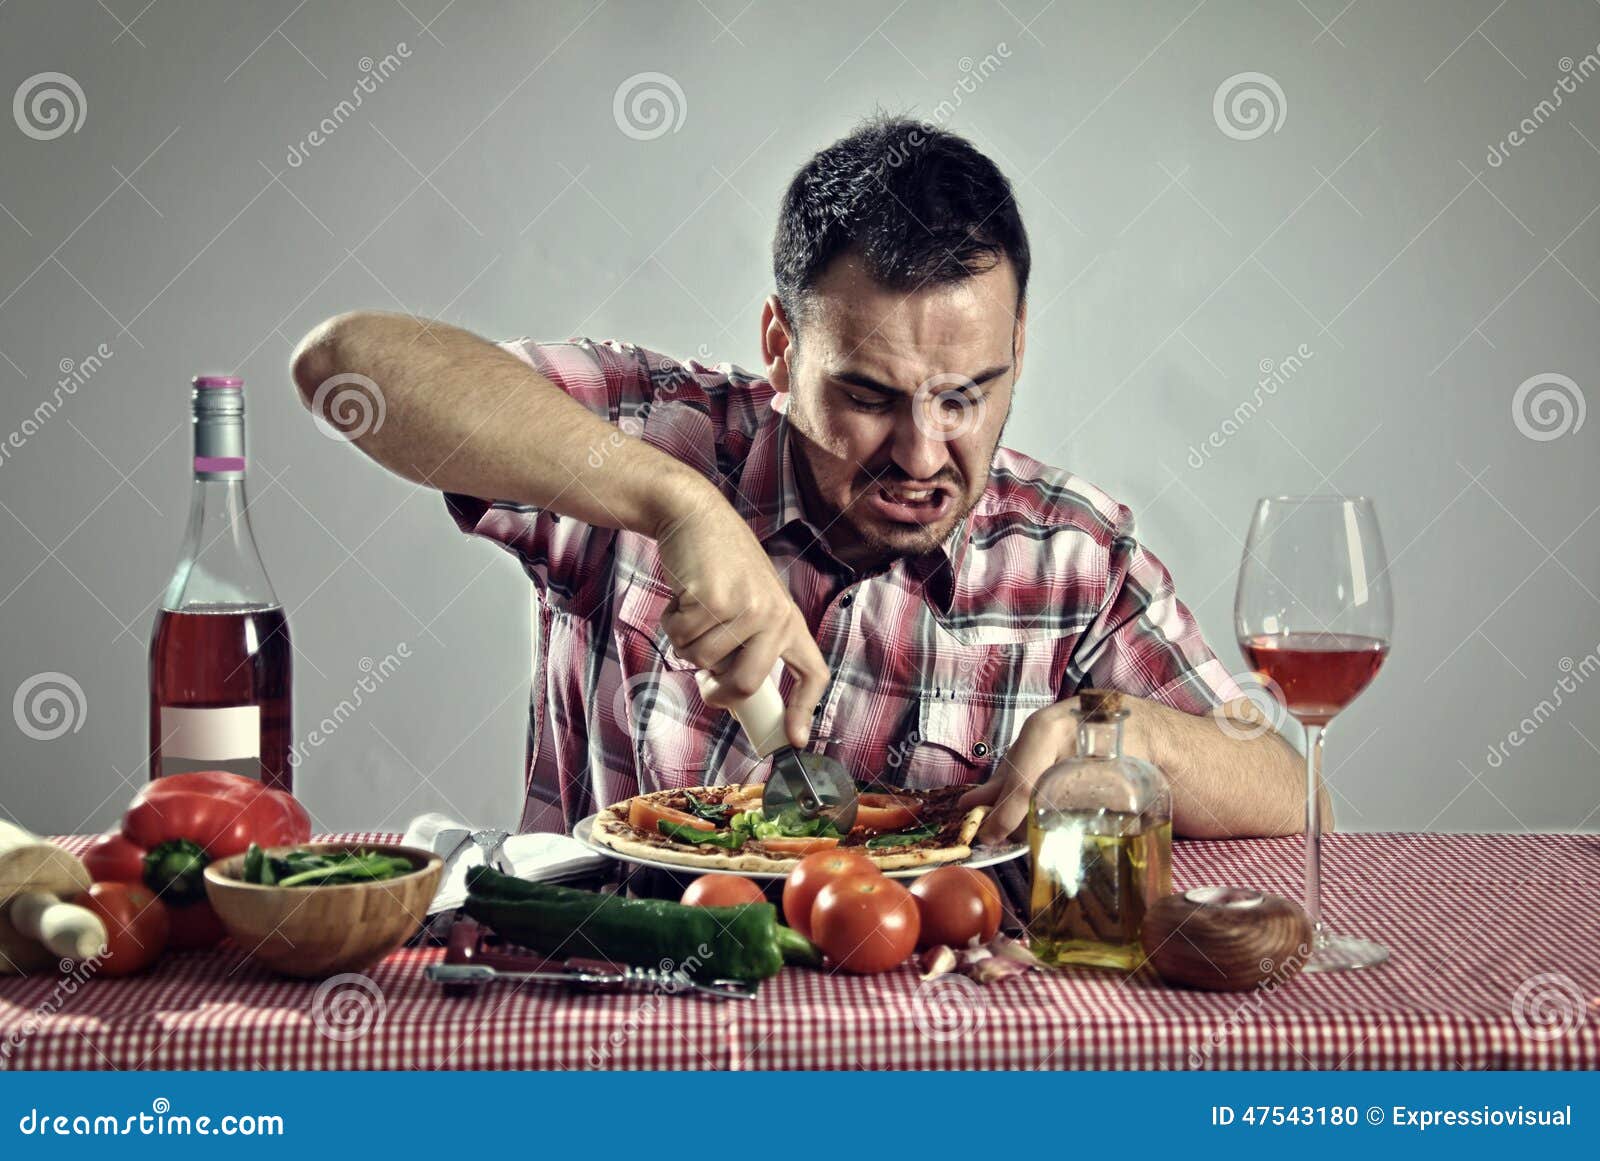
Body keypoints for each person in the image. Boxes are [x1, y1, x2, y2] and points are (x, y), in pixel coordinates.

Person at [291, 115, 1308, 846]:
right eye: (868, 395)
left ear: (1018, 347)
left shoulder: (1071, 553)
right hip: (609, 1019)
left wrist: (1113, 730)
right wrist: (675, 502)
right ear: (779, 347)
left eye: (965, 396)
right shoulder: (659, 435)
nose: (920, 454)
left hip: (940, 1048)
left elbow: (1292, 796)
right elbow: (342, 364)